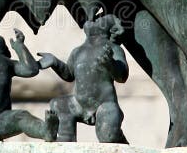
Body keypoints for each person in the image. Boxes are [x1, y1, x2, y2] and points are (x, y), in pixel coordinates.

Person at [38, 14, 129, 143]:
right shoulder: (77, 51)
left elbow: (122, 76)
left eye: (99, 17)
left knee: (108, 137)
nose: (93, 18)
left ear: (112, 28)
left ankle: (119, 137)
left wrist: (111, 64)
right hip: (79, 104)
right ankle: (66, 137)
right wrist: (55, 62)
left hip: (104, 105)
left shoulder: (114, 49)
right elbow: (69, 75)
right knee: (58, 104)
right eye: (91, 18)